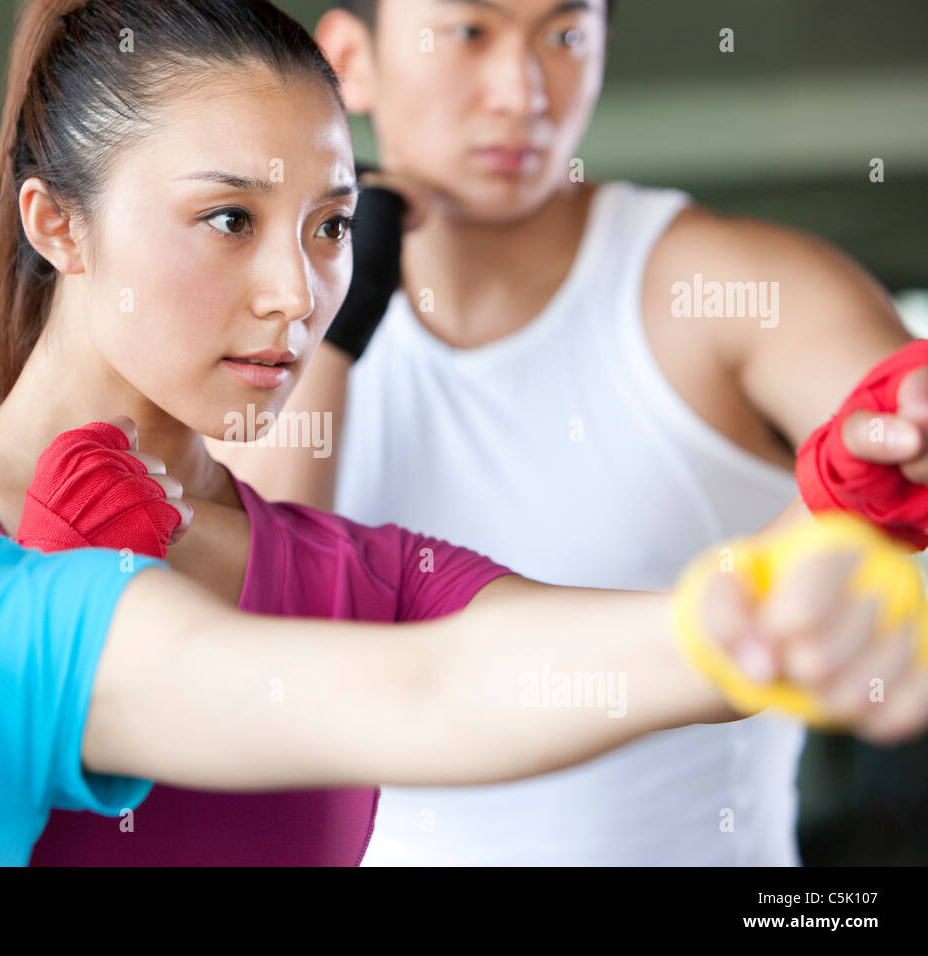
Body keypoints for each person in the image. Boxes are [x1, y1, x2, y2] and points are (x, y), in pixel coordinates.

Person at [0, 0, 928, 867]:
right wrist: (37, 648)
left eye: (330, 226)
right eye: (229, 219)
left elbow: (476, 680)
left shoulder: (358, 572)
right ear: (54, 223)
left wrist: (821, 546)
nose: (295, 291)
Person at [210, 0, 928, 865]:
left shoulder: (725, 285)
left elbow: (894, 419)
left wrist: (891, 454)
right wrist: (337, 323)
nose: (522, 93)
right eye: (471, 33)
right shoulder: (261, 325)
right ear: (349, 62)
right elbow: (250, 642)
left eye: (564, 35)